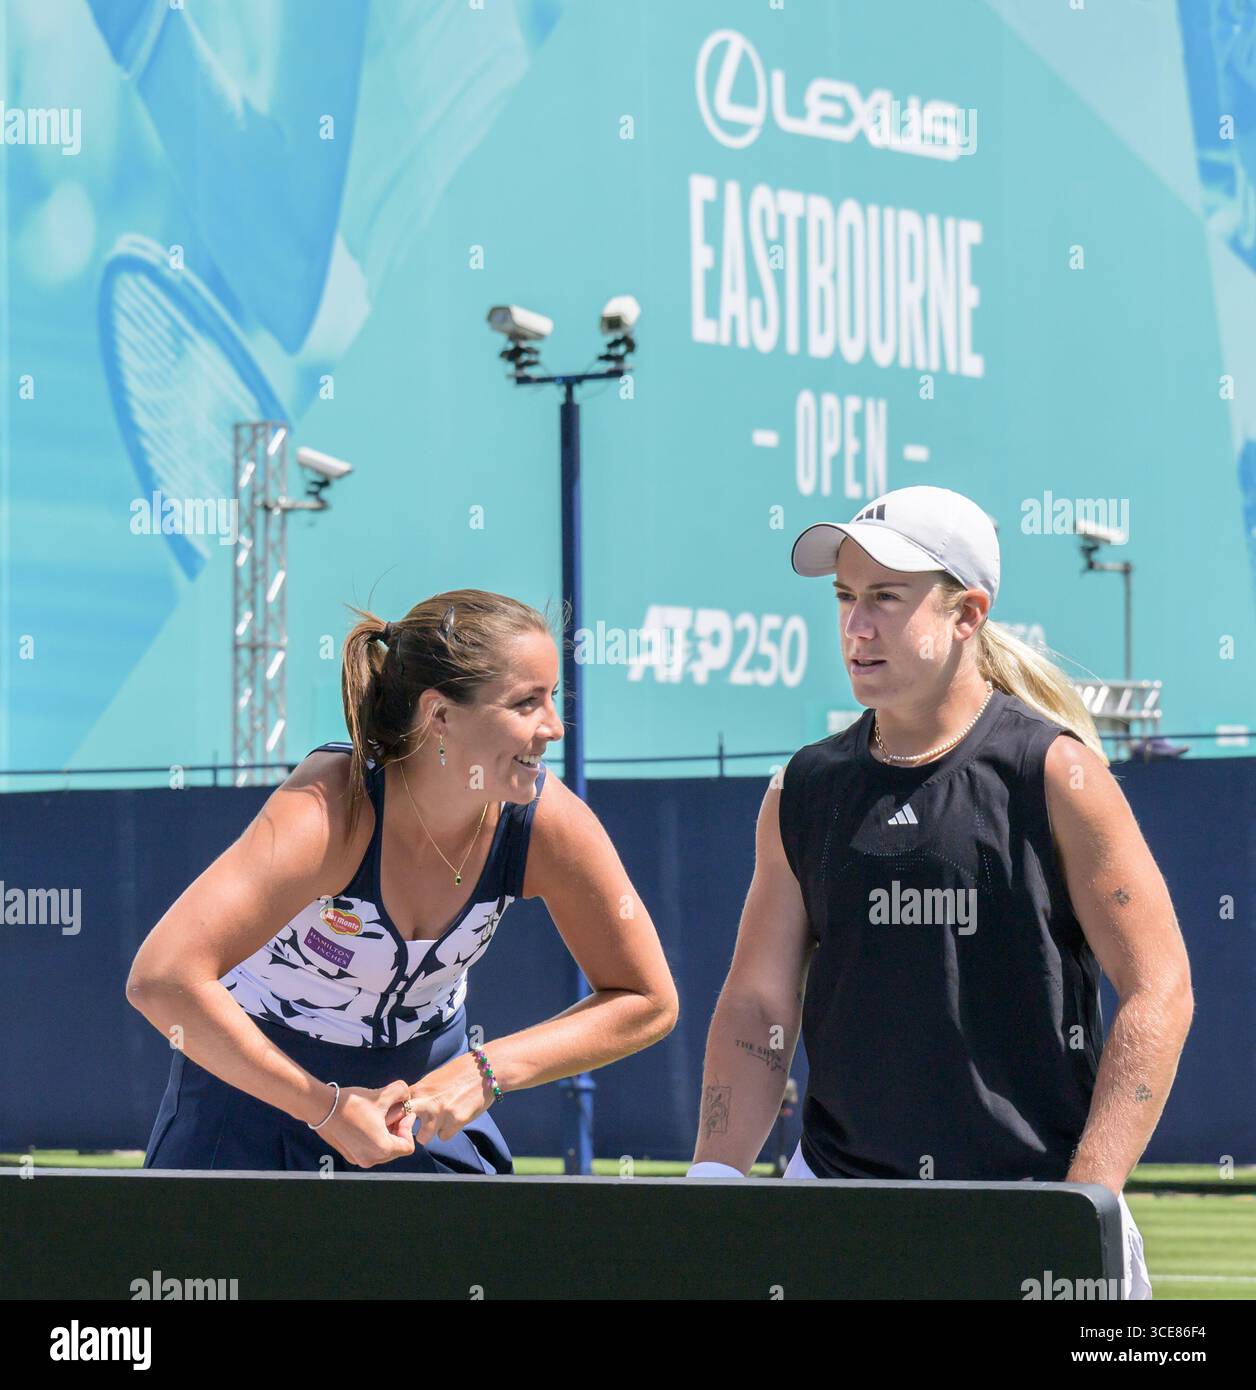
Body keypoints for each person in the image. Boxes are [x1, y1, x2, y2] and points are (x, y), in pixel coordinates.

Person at [687, 486, 1194, 1300]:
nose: (857, 626)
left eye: (886, 597)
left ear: (968, 614)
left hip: (1030, 1213)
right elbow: (757, 1003)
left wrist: (1086, 1194)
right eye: (846, 598)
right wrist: (712, 1178)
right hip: (836, 1214)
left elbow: (1159, 988)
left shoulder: (1056, 774)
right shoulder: (803, 788)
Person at [129, 589, 677, 1173]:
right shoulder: (330, 808)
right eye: (525, 703)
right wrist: (326, 1107)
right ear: (439, 714)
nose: (554, 727)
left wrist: (485, 1071)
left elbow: (647, 1000)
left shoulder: (547, 823)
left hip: (415, 1114)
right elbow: (162, 979)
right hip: (249, 1101)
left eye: (553, 698)